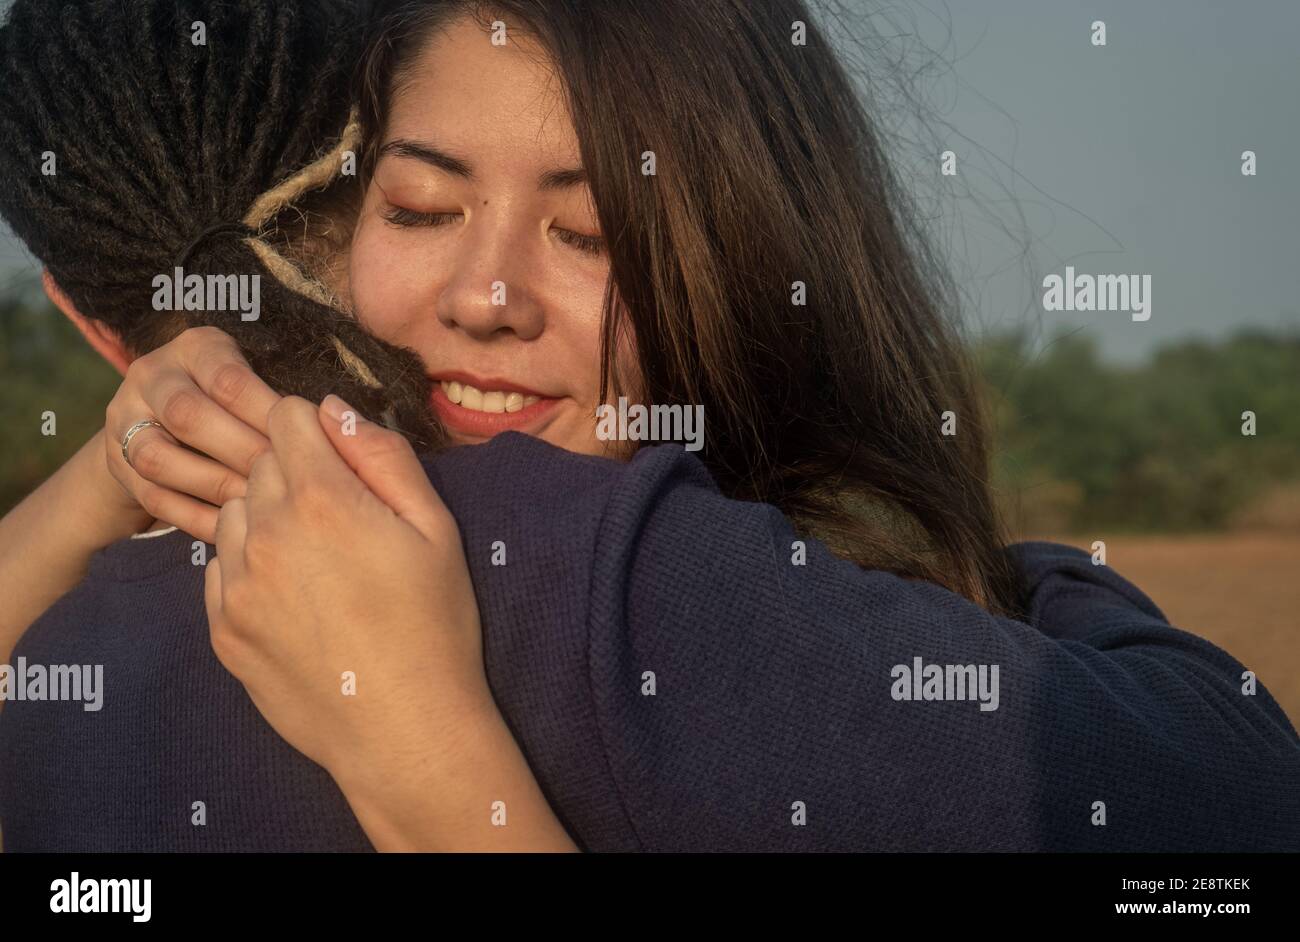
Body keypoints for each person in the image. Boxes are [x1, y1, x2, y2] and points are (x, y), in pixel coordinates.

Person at [2, 0, 1296, 851]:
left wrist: (104, 475)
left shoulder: (72, 644)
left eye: (586, 234)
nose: (488, 297)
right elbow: (1245, 798)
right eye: (421, 208)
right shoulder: (618, 574)